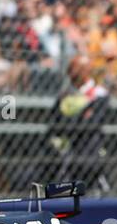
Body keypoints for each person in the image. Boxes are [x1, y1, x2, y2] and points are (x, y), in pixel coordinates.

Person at [47, 55, 109, 191]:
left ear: (86, 71)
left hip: (89, 147)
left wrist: (70, 122)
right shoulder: (65, 94)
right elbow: (54, 121)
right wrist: (80, 117)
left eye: (75, 68)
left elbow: (92, 123)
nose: (70, 72)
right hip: (65, 148)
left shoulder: (98, 94)